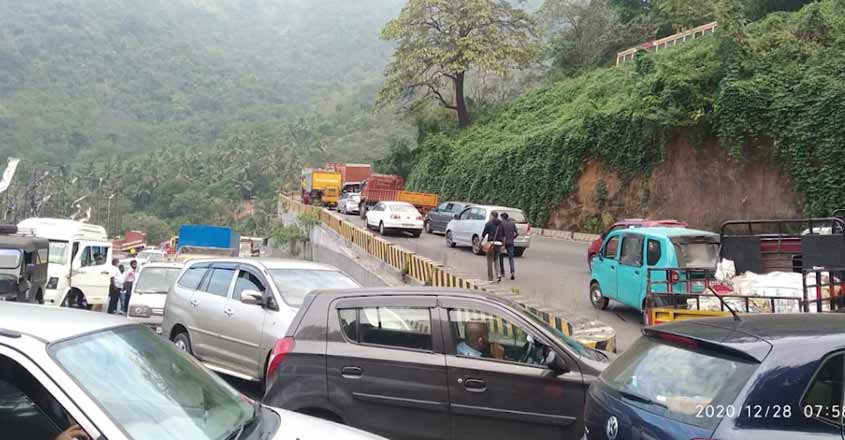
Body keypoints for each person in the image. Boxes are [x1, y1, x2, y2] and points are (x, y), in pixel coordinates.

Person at [480, 211, 503, 282]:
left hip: (491, 243)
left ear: (492, 216)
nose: (490, 217)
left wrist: (481, 241)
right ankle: (498, 274)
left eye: (490, 216)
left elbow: (484, 234)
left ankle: (490, 278)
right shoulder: (501, 224)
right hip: (499, 244)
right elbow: (504, 234)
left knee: (489, 260)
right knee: (496, 259)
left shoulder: (489, 223)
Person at [498, 212, 518, 280]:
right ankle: (512, 272)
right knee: (511, 258)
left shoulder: (501, 224)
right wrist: (513, 238)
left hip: (502, 243)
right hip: (510, 242)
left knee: (501, 257)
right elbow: (517, 233)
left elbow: (500, 234)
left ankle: (502, 272)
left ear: (502, 217)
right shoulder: (512, 224)